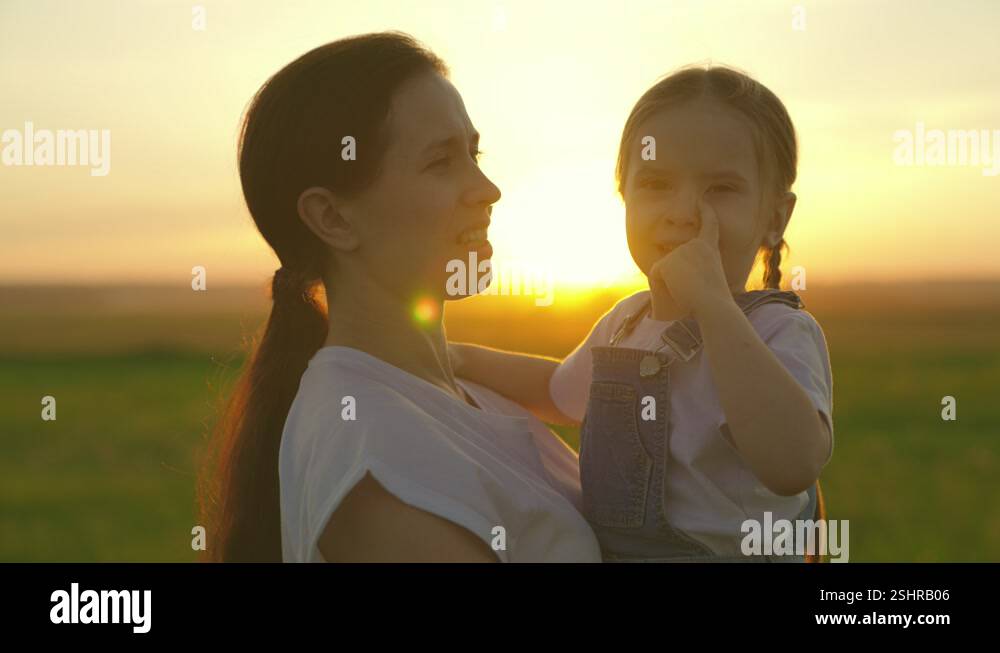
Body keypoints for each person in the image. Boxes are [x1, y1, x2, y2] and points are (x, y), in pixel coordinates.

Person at [198, 32, 601, 563]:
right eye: (441, 163)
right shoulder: (377, 457)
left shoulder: (461, 391)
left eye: (474, 153)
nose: (487, 189)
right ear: (333, 218)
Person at [451, 65, 834, 561]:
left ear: (774, 218)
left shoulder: (778, 330)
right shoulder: (625, 323)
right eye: (655, 183)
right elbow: (558, 392)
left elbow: (792, 463)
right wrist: (457, 357)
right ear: (624, 198)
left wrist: (714, 306)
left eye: (721, 188)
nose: (684, 210)